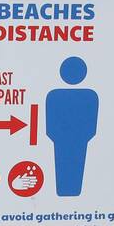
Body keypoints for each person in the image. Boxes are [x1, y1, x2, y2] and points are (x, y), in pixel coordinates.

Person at [45, 56, 99, 196]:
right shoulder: (91, 96)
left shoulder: (53, 96)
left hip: (67, 138)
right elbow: (90, 126)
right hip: (73, 138)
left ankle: (68, 191)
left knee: (68, 165)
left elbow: (51, 126)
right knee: (70, 165)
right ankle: (69, 191)